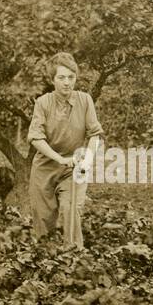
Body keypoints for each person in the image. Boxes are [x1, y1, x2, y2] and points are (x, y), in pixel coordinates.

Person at [27, 52, 103, 247]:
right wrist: (59, 159)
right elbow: (36, 138)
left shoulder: (85, 100)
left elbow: (95, 134)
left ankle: (75, 258)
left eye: (71, 77)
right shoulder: (43, 103)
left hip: (73, 169)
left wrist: (87, 160)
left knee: (71, 210)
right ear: (53, 80)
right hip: (44, 168)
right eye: (61, 78)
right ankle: (46, 261)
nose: (67, 83)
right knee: (43, 220)